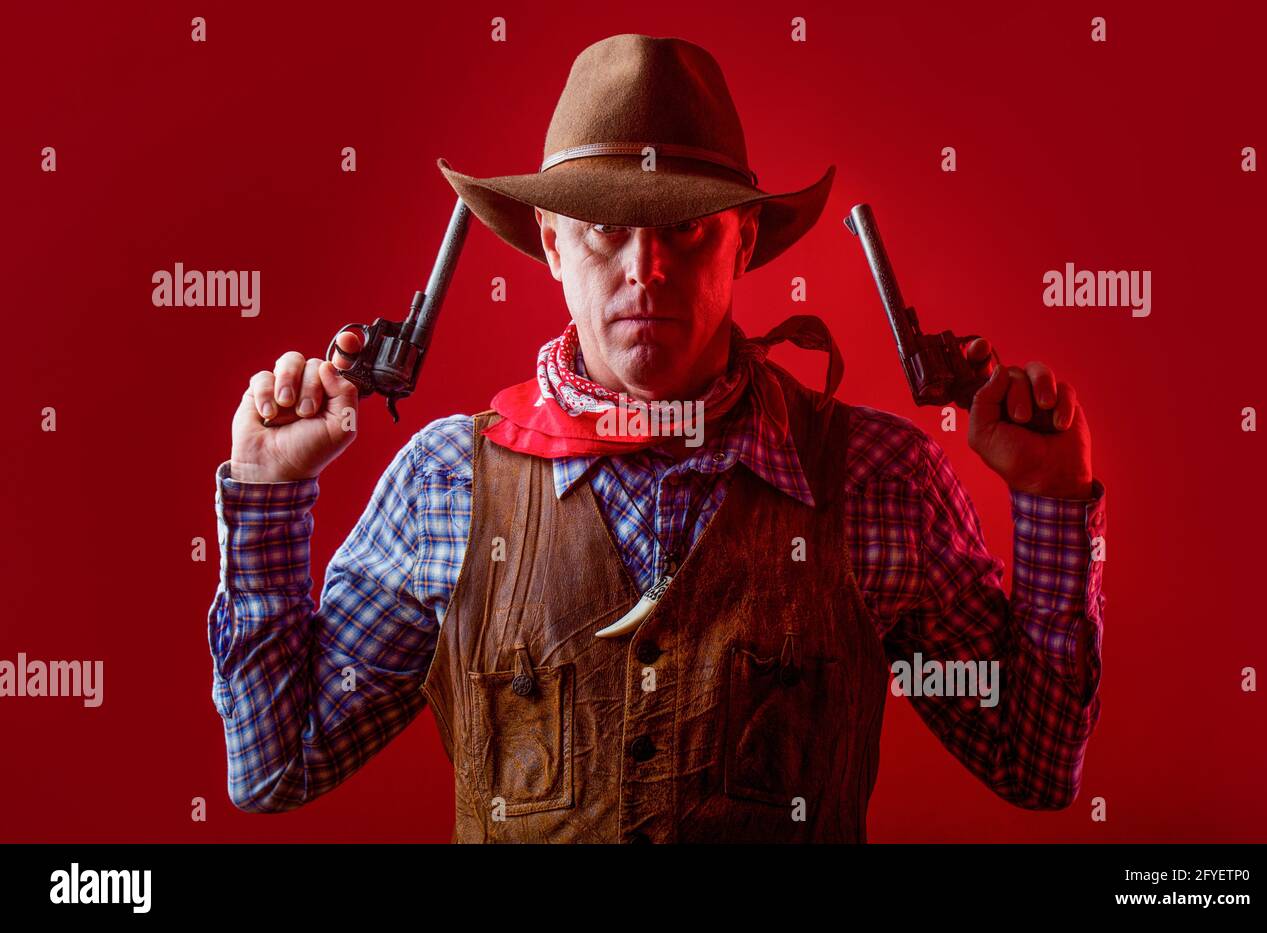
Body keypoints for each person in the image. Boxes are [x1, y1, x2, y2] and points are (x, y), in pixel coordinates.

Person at [208, 33, 1106, 843]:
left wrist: (1053, 501)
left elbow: (1031, 766)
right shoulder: (447, 485)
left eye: (685, 227)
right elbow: (275, 767)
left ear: (744, 241)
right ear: (552, 245)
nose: (646, 269)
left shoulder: (881, 479)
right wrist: (267, 495)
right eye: (605, 230)